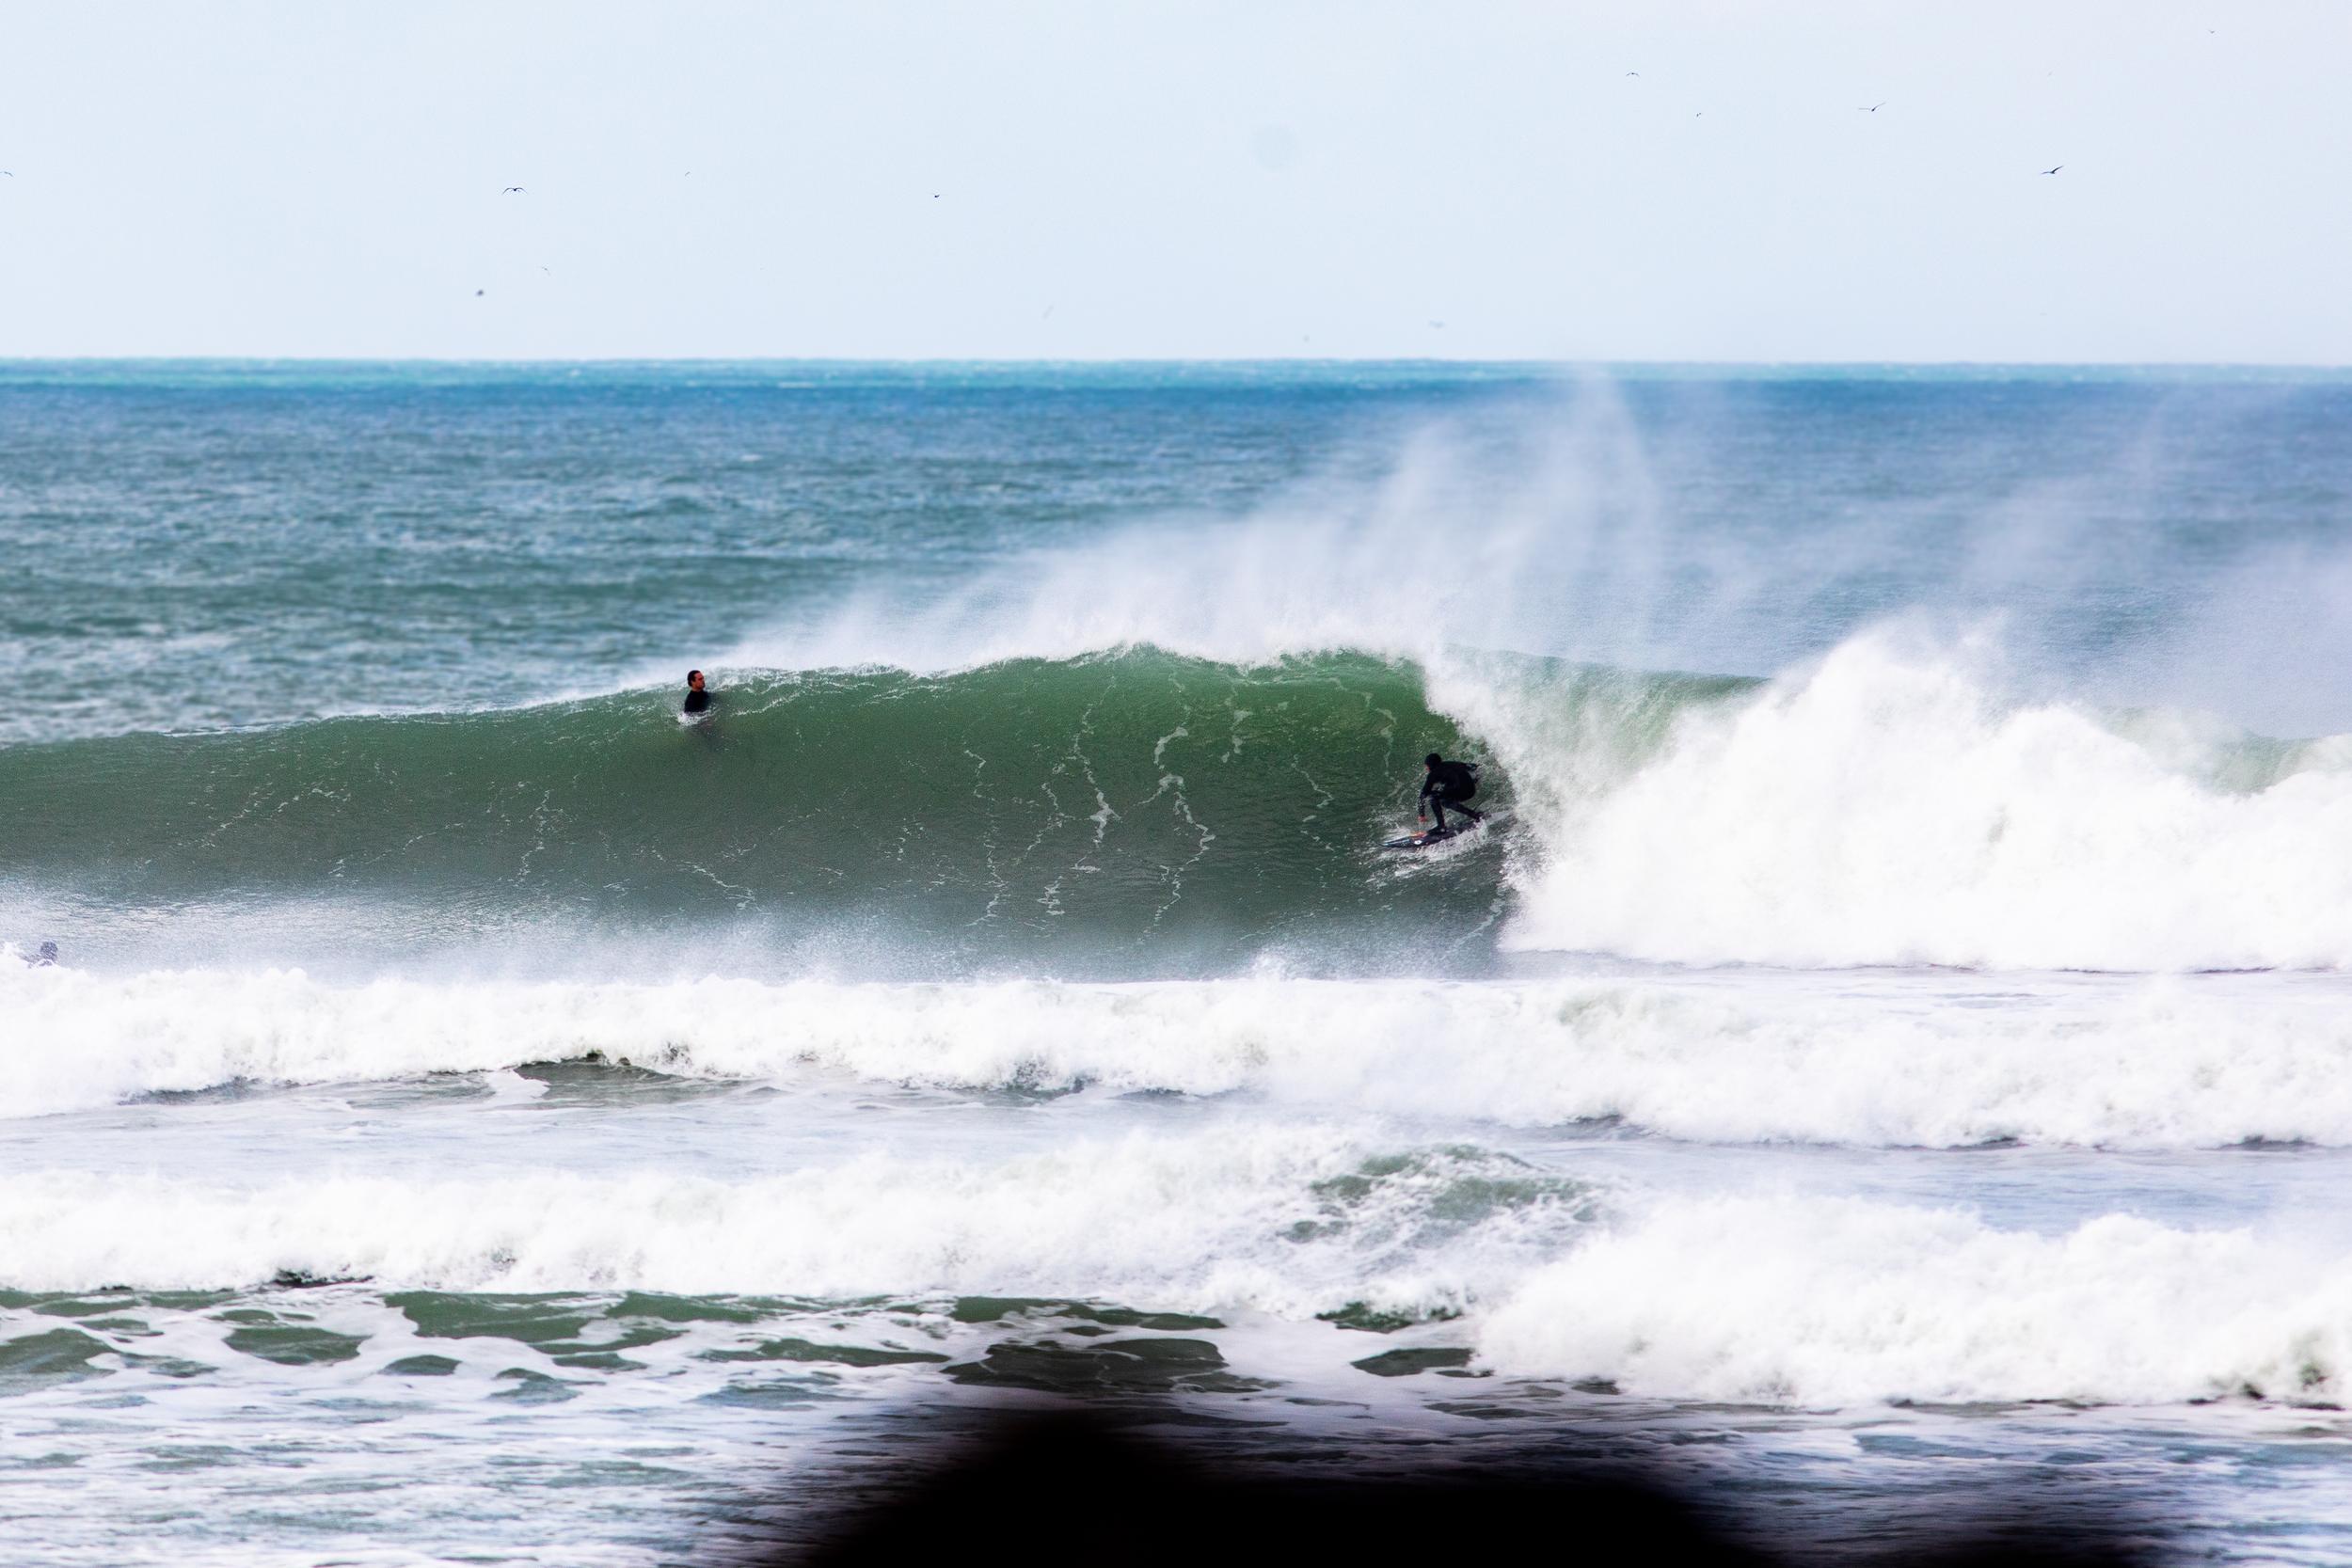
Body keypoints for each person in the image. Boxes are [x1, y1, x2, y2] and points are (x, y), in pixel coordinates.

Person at [1418, 752, 1484, 834]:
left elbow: (1423, 794)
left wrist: (1421, 815)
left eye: (1426, 765)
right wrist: (1475, 779)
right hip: (1471, 790)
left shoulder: (1433, 774)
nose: (1426, 768)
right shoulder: (1451, 763)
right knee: (1441, 791)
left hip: (1462, 792)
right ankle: (1476, 815)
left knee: (1436, 798)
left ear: (1430, 765)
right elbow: (1473, 766)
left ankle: (1441, 827)